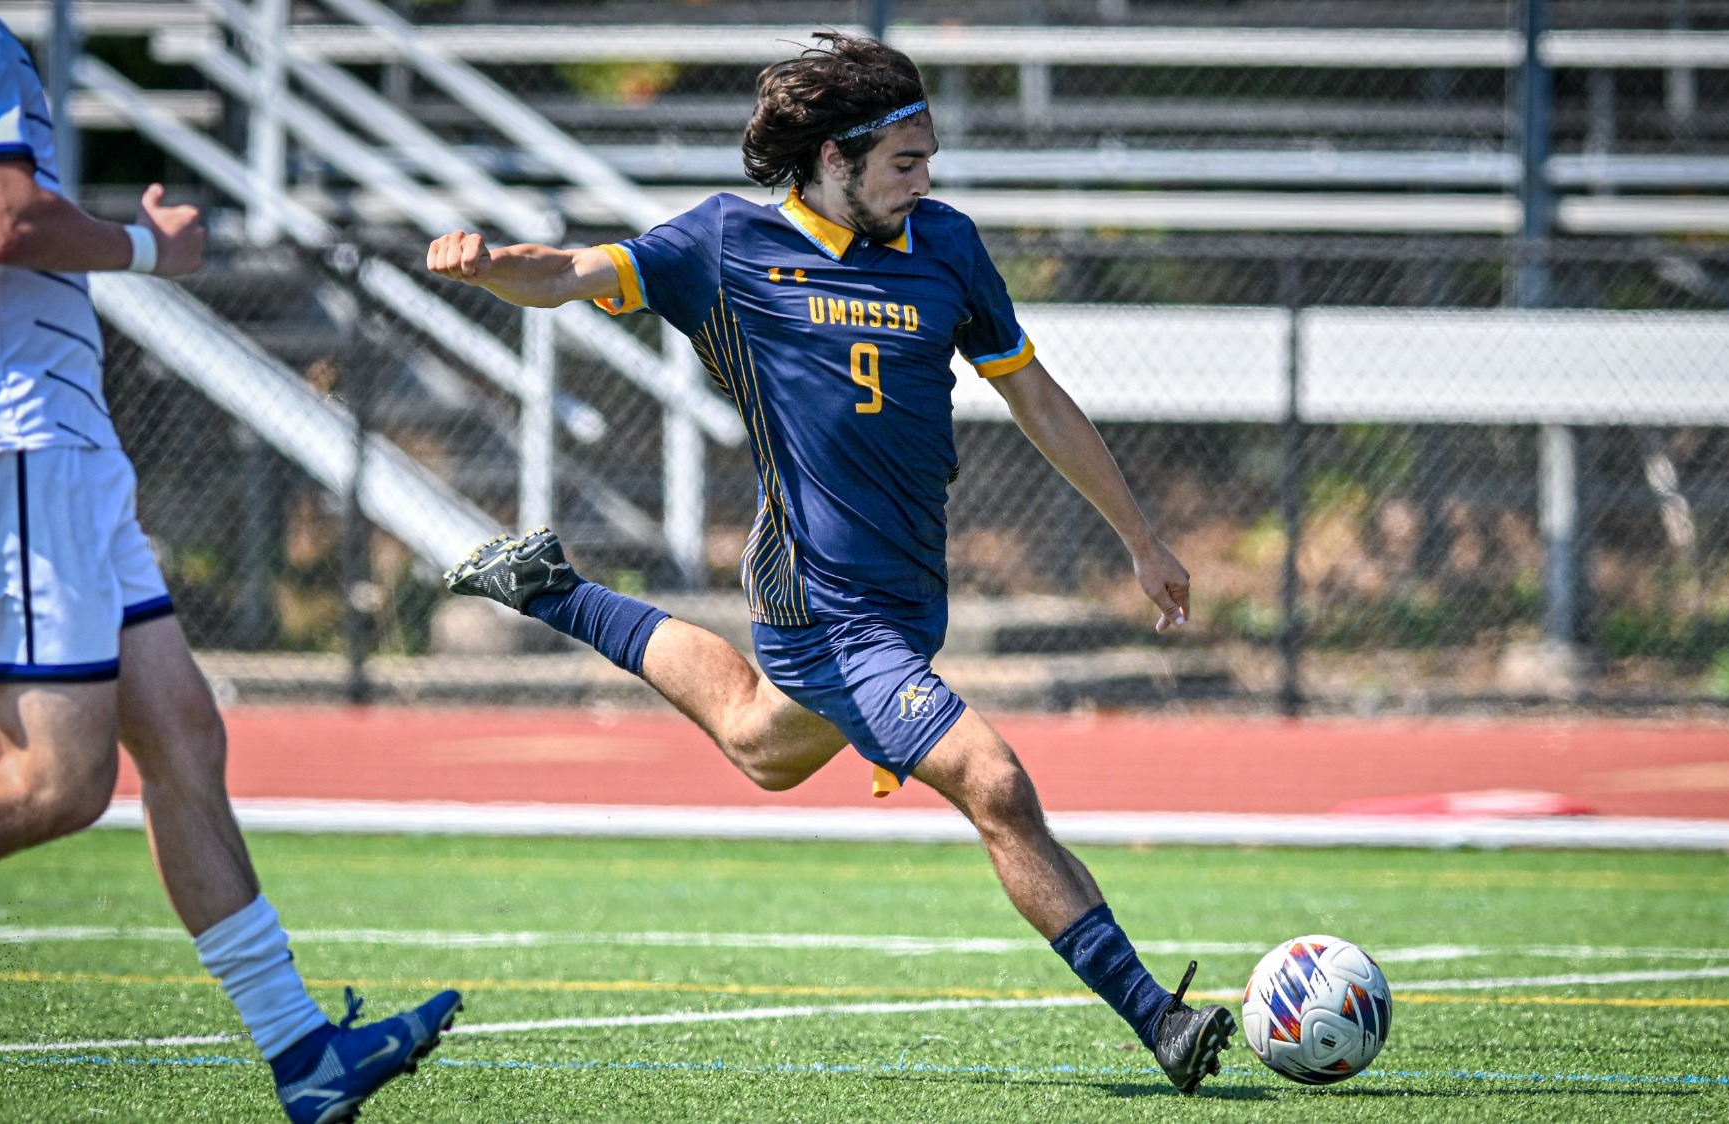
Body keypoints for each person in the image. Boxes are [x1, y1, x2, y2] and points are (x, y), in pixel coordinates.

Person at [429, 32, 1235, 1092]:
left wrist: (1138, 533)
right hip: (820, 602)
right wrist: (492, 267)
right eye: (904, 162)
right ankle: (1158, 1019)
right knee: (992, 782)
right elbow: (574, 272)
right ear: (829, 160)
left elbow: (1031, 395)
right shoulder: (722, 244)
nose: (924, 179)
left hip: (905, 599)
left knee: (761, 742)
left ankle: (552, 588)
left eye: (928, 158)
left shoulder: (945, 246)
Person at [0, 3, 457, 1120]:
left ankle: (302, 1052)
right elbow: (7, 222)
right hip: (14, 438)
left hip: (51, 442)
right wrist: (152, 250)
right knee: (57, 783)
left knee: (182, 733)